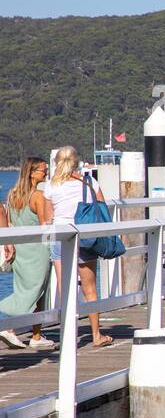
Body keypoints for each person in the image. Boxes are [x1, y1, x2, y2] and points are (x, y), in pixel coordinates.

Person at [45, 146, 112, 347]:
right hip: (85, 236)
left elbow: (49, 217)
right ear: (77, 163)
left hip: (60, 237)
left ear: (57, 162)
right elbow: (101, 207)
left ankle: (68, 336)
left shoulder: (51, 186)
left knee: (65, 288)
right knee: (90, 288)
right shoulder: (90, 182)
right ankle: (96, 335)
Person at [0, 157, 54, 350]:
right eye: (43, 170)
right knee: (35, 291)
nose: (46, 173)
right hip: (37, 250)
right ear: (32, 172)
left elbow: (7, 219)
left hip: (20, 249)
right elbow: (45, 224)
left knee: (30, 290)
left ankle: (36, 335)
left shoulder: (12, 194)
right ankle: (11, 328)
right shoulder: (38, 196)